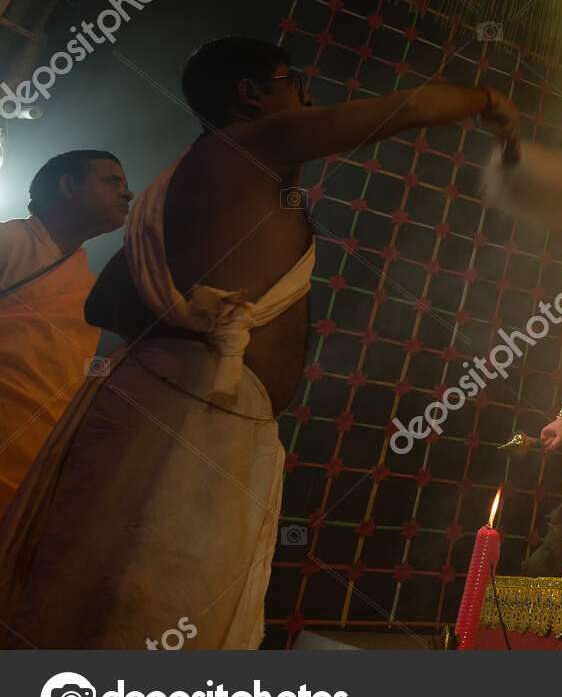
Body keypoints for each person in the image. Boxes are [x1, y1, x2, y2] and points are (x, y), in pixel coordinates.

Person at [0, 37, 519, 649]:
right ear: (251, 95)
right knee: (141, 608)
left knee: (105, 599)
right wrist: (485, 100)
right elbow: (399, 111)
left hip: (163, 409)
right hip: (185, 419)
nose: (307, 96)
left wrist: (194, 318)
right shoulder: (246, 144)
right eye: (293, 81)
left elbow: (105, 301)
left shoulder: (180, 181)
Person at [0, 151, 131, 516]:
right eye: (112, 181)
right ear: (67, 185)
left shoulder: (88, 289)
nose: (128, 194)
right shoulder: (8, 243)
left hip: (34, 472)